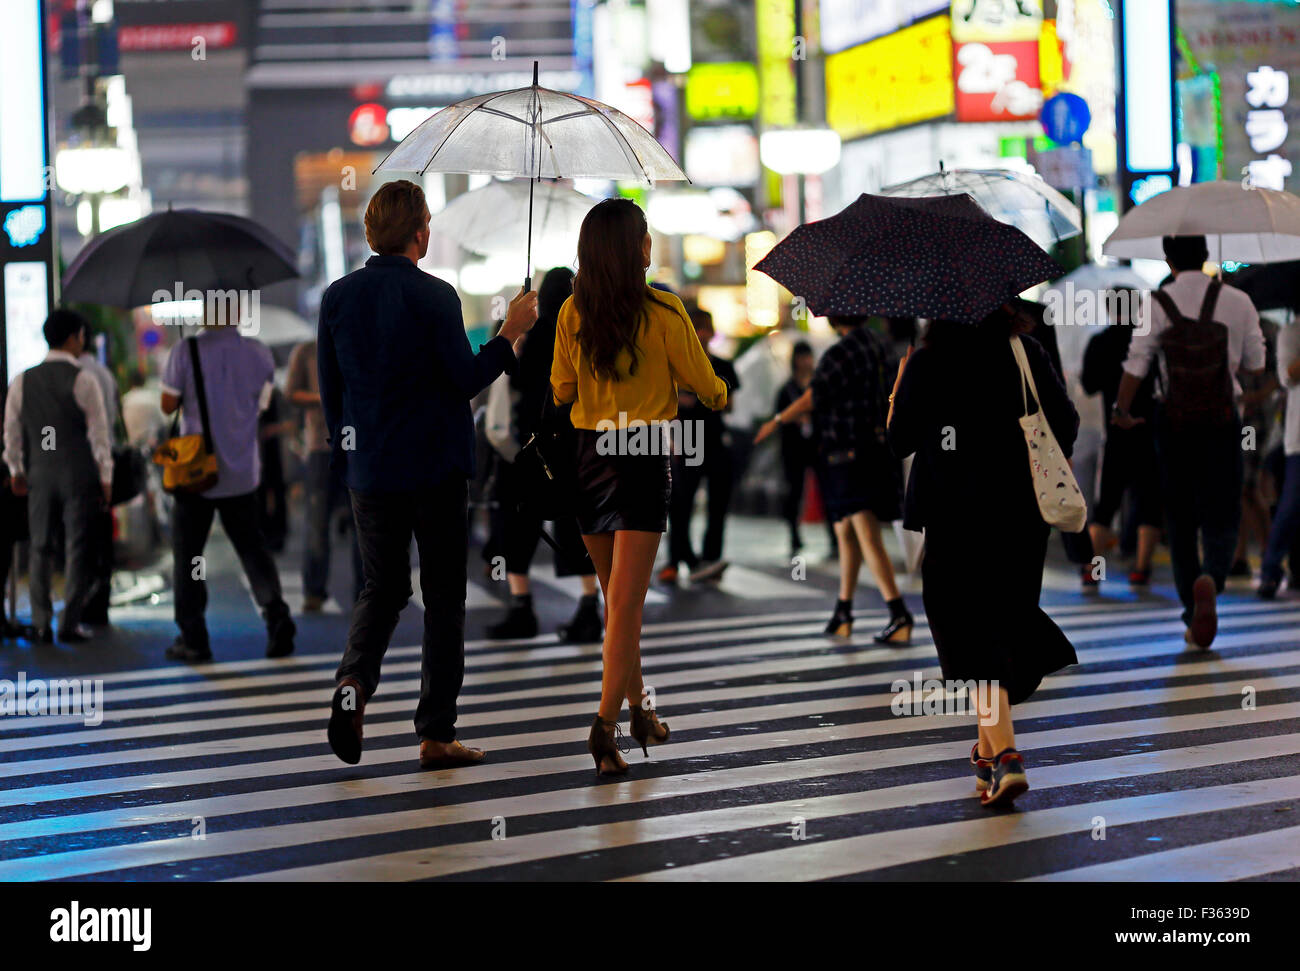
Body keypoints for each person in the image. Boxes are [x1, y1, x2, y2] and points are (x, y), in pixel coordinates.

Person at [320, 178, 537, 769]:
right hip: (436, 468)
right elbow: (465, 381)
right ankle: (435, 732)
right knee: (443, 597)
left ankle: (354, 683)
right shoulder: (437, 297)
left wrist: (347, 464)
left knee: (382, 588)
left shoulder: (338, 297)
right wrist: (509, 333)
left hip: (370, 468)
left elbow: (331, 394)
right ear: (419, 233)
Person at [551, 197, 727, 776]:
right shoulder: (666, 311)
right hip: (643, 455)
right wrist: (717, 391)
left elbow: (561, 392)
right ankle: (604, 727)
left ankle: (641, 711)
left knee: (615, 599)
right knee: (626, 602)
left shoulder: (573, 312)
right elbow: (707, 387)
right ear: (639, 249)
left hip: (588, 457)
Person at [887, 306, 1080, 808]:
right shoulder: (1023, 351)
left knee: (969, 636)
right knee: (995, 628)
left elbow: (898, 440)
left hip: (953, 518)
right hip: (1021, 514)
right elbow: (1066, 422)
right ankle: (988, 755)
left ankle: (1008, 755)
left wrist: (900, 386)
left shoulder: (928, 361)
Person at [1114, 235, 1266, 648]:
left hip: (1173, 422)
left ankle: (1190, 610)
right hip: (1222, 419)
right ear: (1206, 256)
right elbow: (1256, 362)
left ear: (1167, 258)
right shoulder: (1237, 301)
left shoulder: (1156, 303)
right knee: (1223, 510)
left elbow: (1137, 363)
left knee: (1180, 519)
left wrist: (1122, 409)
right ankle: (1211, 579)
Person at [755, 315, 912, 644]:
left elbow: (814, 395)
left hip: (847, 453)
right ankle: (844, 610)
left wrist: (778, 419)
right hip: (877, 448)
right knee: (845, 530)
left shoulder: (842, 352)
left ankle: (898, 612)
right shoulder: (880, 344)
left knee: (864, 530)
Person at [160, 299, 295, 662]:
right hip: (242, 472)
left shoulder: (184, 351)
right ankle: (276, 618)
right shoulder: (259, 353)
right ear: (236, 314)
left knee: (189, 556)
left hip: (196, 475)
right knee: (253, 551)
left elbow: (167, 406)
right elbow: (264, 402)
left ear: (205, 314)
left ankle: (194, 638)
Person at [485, 266, 603, 643]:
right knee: (576, 525)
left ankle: (521, 608)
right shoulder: (585, 331)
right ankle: (589, 607)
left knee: (517, 524)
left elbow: (517, 382)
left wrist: (515, 342)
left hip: (530, 446)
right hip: (576, 445)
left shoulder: (534, 335)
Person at [2, 309, 113, 643]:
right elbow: (99, 434)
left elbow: (11, 430)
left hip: (39, 472)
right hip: (78, 472)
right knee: (77, 546)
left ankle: (39, 622)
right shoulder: (84, 379)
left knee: (40, 546)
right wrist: (106, 475)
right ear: (71, 337)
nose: (83, 342)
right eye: (81, 336)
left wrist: (16, 468)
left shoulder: (23, 379)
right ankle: (69, 623)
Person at [1080, 289, 1162, 587]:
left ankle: (1092, 569)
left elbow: (1089, 385)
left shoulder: (1100, 342)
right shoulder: (1148, 342)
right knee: (1149, 502)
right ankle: (1141, 568)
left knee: (1106, 504)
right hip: (1147, 432)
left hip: (1115, 432)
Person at [661, 306, 740, 584]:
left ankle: (710, 559)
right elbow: (668, 404)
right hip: (686, 439)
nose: (703, 333)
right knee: (682, 504)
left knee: (718, 504)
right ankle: (677, 560)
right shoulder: (677, 365)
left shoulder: (723, 365)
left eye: (707, 327)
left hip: (717, 440)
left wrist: (703, 397)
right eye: (698, 328)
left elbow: (730, 404)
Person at [286, 338, 362, 611]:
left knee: (362, 520)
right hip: (321, 445)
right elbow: (291, 392)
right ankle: (314, 590)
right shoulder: (307, 350)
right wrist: (323, 397)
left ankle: (364, 590)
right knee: (317, 522)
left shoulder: (363, 343)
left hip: (360, 443)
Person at [77, 325, 120, 626]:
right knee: (101, 536)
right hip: (102, 466)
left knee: (80, 537)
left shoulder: (76, 374)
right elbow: (111, 421)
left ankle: (82, 603)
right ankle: (100, 601)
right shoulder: (104, 373)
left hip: (78, 466)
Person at [1258, 317, 1300, 598]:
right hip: (1299, 437)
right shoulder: (1291, 332)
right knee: (1291, 505)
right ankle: (1271, 570)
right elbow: (1287, 376)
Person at [776, 341, 818, 556]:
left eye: (808, 356)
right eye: (802, 357)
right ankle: (794, 535)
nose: (806, 361)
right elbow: (780, 419)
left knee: (825, 489)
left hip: (817, 445)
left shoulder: (817, 386)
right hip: (794, 447)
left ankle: (834, 538)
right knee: (794, 490)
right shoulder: (787, 389)